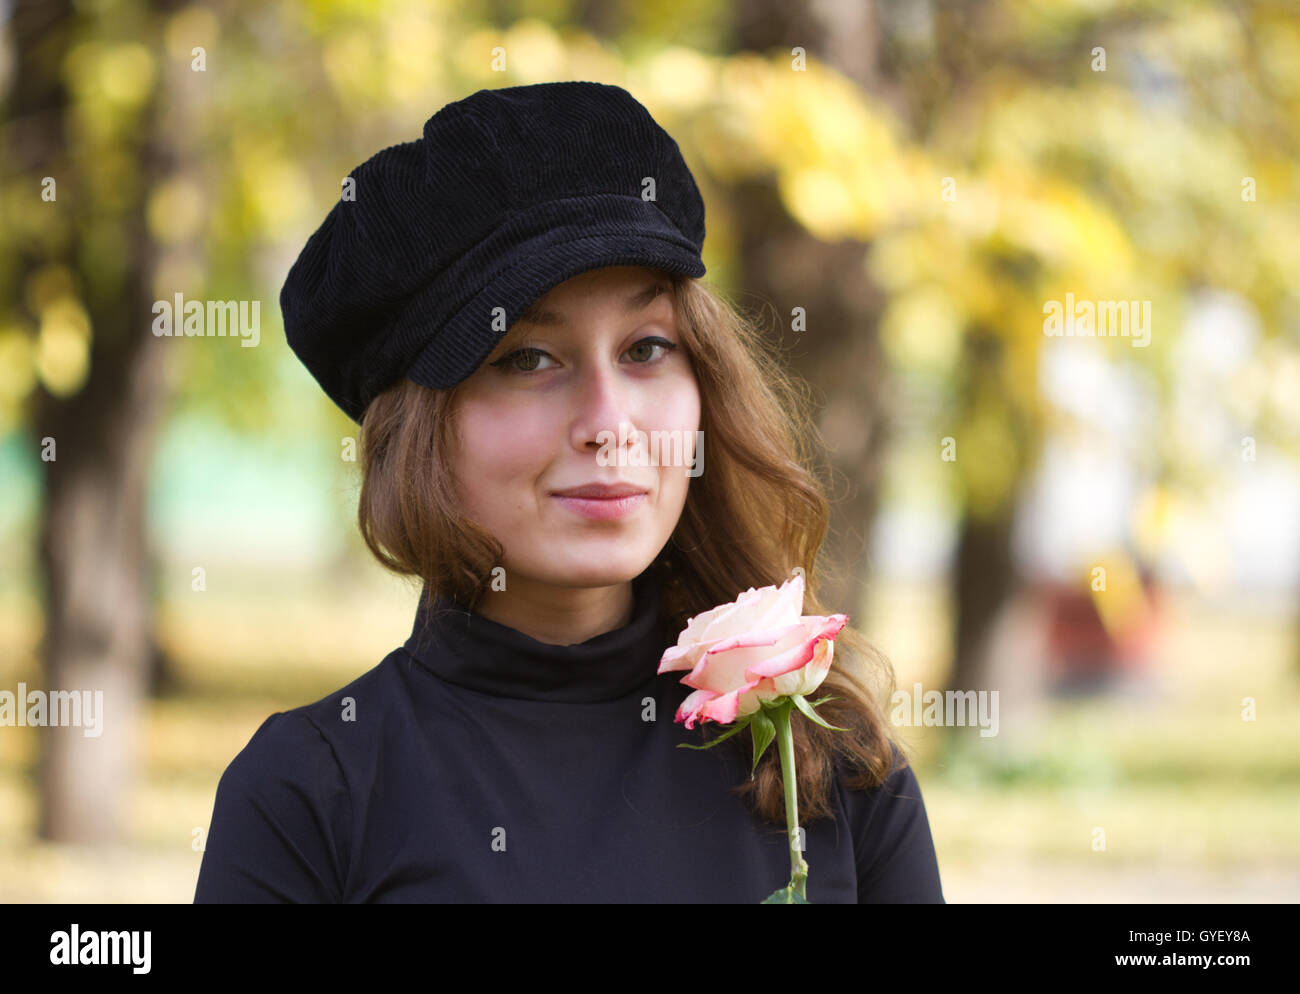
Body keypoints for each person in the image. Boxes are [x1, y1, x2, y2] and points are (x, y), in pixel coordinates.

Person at [193, 81, 944, 903]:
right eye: (527, 359)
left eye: (647, 348)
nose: (608, 423)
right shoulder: (310, 794)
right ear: (416, 432)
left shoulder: (829, 772)